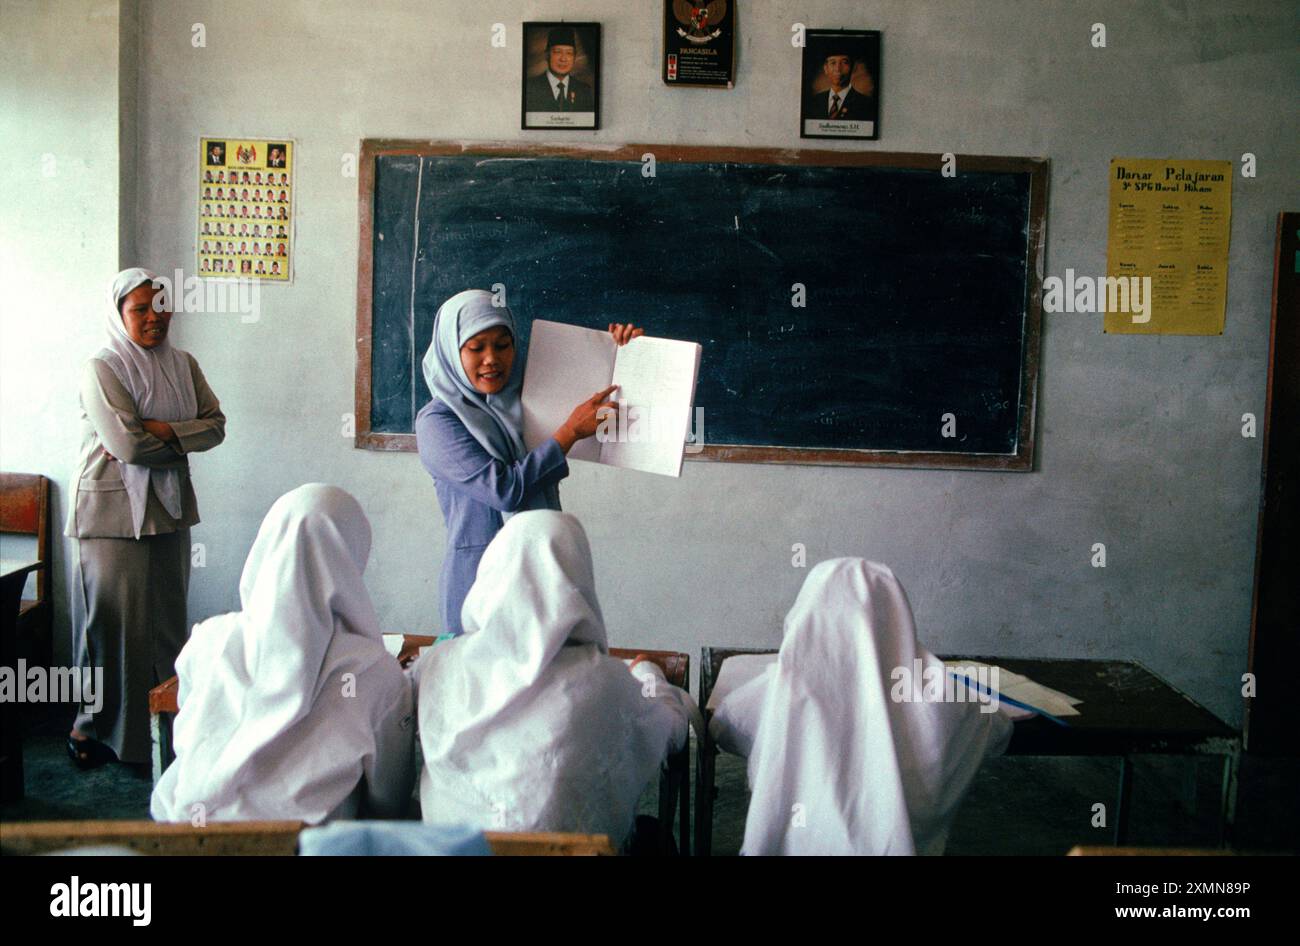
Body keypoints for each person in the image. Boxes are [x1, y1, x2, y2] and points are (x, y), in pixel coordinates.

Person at [416, 511, 696, 845]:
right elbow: (672, 731)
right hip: (568, 853)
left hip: (451, 851)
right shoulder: (606, 682)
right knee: (655, 838)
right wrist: (648, 674)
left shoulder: (438, 664)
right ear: (577, 580)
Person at [151, 484, 415, 823]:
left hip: (184, 831)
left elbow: (188, 735)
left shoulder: (209, 640)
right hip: (305, 845)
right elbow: (388, 800)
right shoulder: (374, 671)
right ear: (350, 557)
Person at [739, 559, 1012, 855]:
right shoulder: (937, 695)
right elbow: (994, 727)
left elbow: (727, 724)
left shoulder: (781, 688)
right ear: (895, 612)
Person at [65, 268, 226, 768]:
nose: (154, 318)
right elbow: (125, 443)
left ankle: (162, 729)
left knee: (165, 625)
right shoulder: (103, 366)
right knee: (111, 626)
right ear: (120, 313)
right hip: (110, 510)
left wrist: (161, 432)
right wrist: (180, 439)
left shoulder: (183, 363)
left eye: (161, 306)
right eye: (140, 309)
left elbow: (217, 427)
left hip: (169, 506)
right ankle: (92, 730)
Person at [415, 289, 641, 636]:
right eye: (476, 348)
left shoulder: (527, 397)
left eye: (503, 345)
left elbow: (600, 399)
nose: (492, 359)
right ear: (450, 349)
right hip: (478, 586)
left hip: (541, 576)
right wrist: (567, 432)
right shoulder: (437, 421)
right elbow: (505, 490)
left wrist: (621, 353)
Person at [525, 26, 595, 112]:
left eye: (569, 53)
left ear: (574, 57)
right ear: (547, 55)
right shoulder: (531, 88)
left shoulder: (583, 90)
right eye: (558, 52)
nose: (563, 59)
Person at [804, 45, 871, 120]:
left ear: (853, 67)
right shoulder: (813, 102)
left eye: (844, 63)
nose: (838, 69)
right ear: (826, 69)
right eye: (833, 63)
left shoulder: (866, 104)